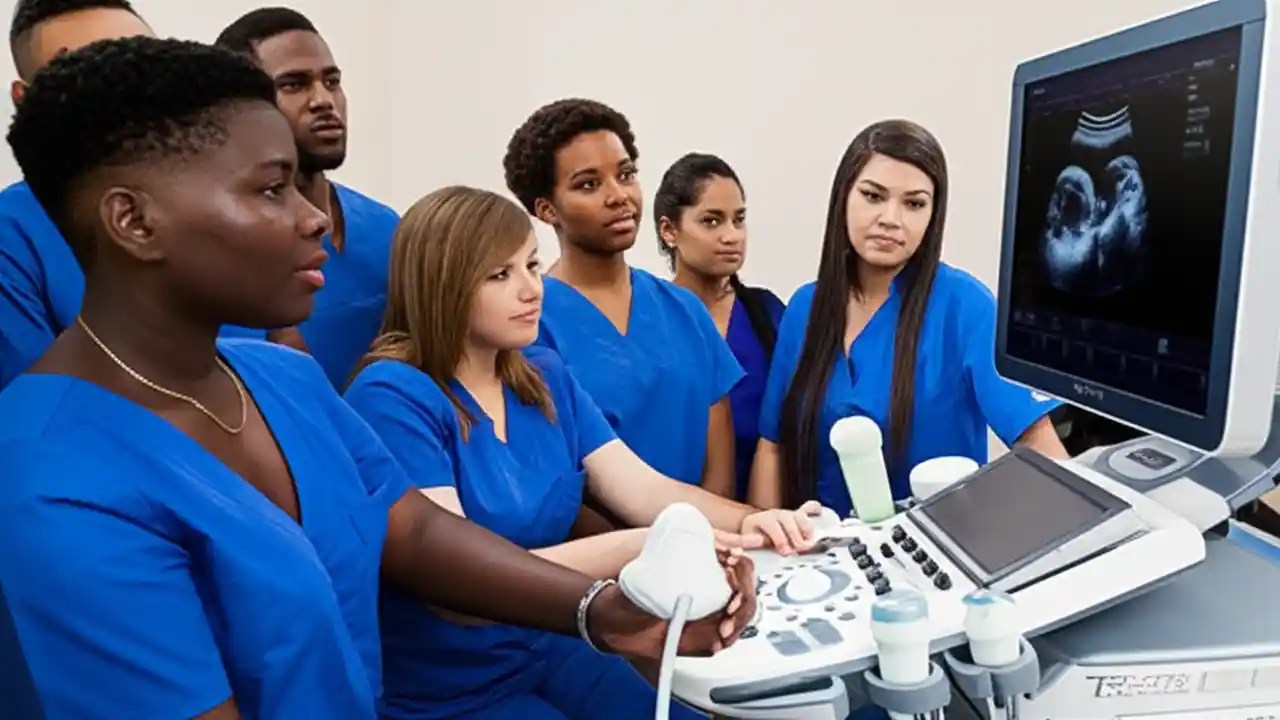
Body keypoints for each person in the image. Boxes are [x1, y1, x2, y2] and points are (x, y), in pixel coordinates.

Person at [0, 37, 754, 719]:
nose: (315, 219)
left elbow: (416, 531)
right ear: (135, 222)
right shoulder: (56, 476)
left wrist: (606, 611)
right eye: (271, 190)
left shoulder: (282, 381)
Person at [345, 185, 820, 720]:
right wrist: (641, 547)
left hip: (552, 643)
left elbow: (644, 489)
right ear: (442, 285)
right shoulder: (392, 397)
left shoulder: (542, 376)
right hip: (453, 684)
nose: (531, 290)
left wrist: (757, 525)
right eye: (500, 276)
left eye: (530, 264)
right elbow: (457, 584)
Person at [750, 119, 1067, 517]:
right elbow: (773, 445)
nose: (891, 218)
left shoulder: (966, 306)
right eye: (873, 196)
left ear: (933, 214)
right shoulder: (805, 308)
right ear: (843, 197)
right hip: (825, 552)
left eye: (914, 203)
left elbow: (1040, 446)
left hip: (940, 554)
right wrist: (762, 548)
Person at [0, 0, 267, 390]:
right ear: (26, 99)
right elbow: (38, 411)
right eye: (85, 72)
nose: (128, 91)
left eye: (146, 63)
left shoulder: (222, 205)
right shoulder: (13, 236)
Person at [503, 99, 742, 509]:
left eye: (626, 174)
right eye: (588, 184)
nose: (619, 196)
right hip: (602, 557)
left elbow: (719, 469)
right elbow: (556, 484)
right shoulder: (530, 322)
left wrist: (705, 544)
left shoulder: (684, 310)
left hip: (706, 541)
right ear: (546, 209)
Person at [215, 7, 399, 388]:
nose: (323, 100)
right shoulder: (222, 250)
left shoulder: (389, 232)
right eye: (294, 85)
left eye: (331, 82)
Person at [654, 153, 785, 501]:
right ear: (670, 231)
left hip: (768, 515)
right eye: (712, 222)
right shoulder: (649, 319)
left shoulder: (766, 314)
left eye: (738, 220)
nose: (732, 236)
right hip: (667, 516)